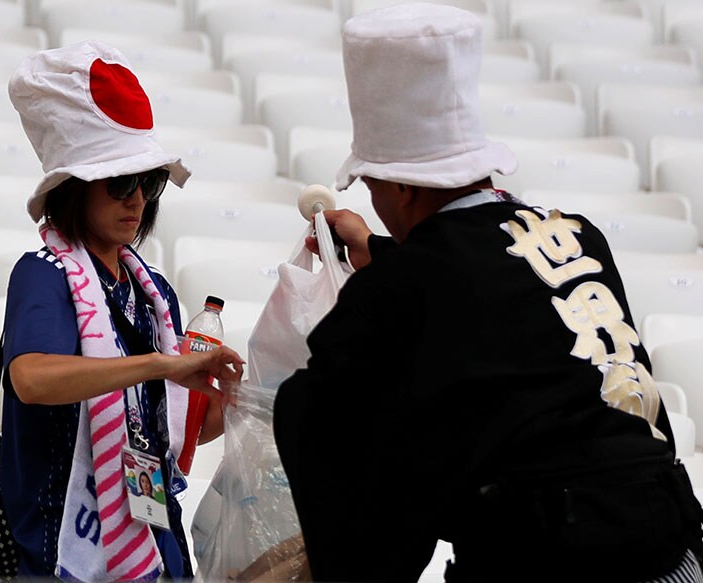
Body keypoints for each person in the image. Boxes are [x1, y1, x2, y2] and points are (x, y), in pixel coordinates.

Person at [271, 4, 703, 582]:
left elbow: (325, 414)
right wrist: (384, 255)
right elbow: (488, 289)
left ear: (400, 185)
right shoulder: (577, 236)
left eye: (372, 185)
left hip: (550, 557)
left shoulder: (407, 285)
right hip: (673, 542)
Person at [0, 40, 244, 581]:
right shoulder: (43, 272)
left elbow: (166, 431)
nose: (137, 200)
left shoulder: (153, 290)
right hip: (61, 552)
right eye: (120, 182)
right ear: (73, 189)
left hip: (156, 538)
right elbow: (33, 379)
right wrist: (162, 365)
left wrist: (227, 403)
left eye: (149, 182)